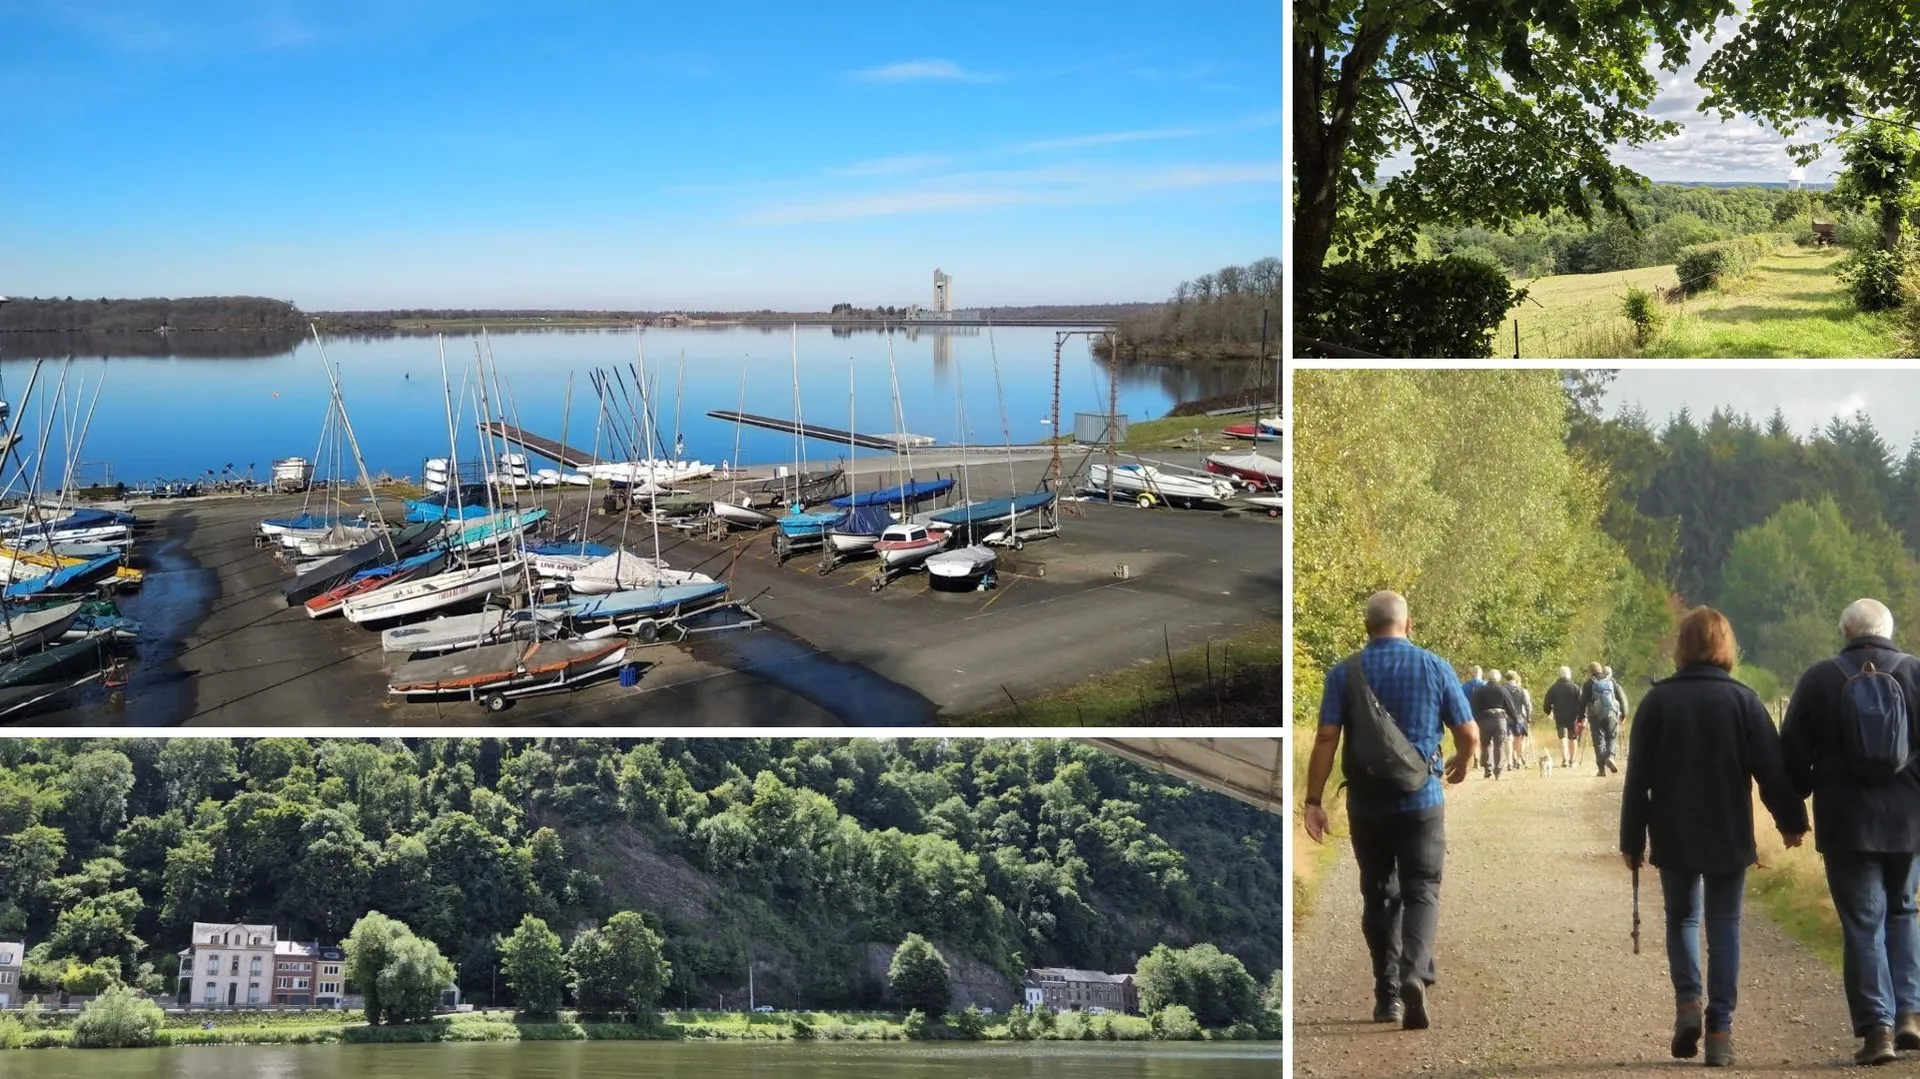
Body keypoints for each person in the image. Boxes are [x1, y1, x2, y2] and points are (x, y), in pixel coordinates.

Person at [1621, 607, 1809, 1069]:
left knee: (1683, 919)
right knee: (1724, 927)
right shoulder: (1744, 701)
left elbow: (1637, 777)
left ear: (1682, 647)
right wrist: (1791, 822)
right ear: (1726, 646)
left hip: (1674, 830)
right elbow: (1771, 771)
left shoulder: (1657, 703)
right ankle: (1720, 1030)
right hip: (1728, 830)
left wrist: (1631, 839)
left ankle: (1688, 1004)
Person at [1304, 590, 1479, 1031]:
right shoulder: (1434, 666)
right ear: (1409, 625)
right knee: (1422, 888)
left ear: (1367, 628)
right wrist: (1462, 760)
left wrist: (1313, 801)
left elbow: (1326, 739)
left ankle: (1387, 998)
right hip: (1421, 800)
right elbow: (1469, 733)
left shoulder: (1344, 673)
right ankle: (1413, 972)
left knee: (1379, 893)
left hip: (1367, 803)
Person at [1779, 598, 1920, 1067]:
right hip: (1908, 822)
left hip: (1845, 822)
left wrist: (1793, 814)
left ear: (1845, 632)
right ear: (1888, 630)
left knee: (1863, 924)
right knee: (1903, 911)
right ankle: (1911, 1017)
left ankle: (1876, 1030)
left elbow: (1792, 754)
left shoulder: (1821, 678)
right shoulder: (1915, 673)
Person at [1582, 661, 1627, 776]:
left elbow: (1582, 702)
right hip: (1611, 714)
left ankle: (1601, 769)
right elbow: (1620, 697)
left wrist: (1581, 716)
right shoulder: (1610, 681)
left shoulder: (1588, 684)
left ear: (1590, 672)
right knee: (1611, 737)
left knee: (1598, 741)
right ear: (1600, 670)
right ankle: (1611, 756)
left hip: (1595, 716)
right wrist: (1624, 713)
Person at [1545, 666, 1583, 769]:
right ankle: (1572, 760)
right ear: (1569, 675)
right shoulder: (1575, 687)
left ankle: (1564, 759)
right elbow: (1581, 703)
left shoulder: (1553, 688)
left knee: (1562, 737)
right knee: (1573, 737)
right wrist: (1582, 716)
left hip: (1559, 715)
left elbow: (1547, 702)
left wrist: (1548, 711)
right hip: (1573, 716)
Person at [1506, 671, 1533, 770]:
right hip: (1519, 718)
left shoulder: (1503, 690)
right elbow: (1527, 705)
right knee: (1518, 739)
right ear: (1515, 677)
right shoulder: (1522, 690)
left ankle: (1509, 761)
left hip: (1506, 718)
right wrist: (1529, 716)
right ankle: (1518, 760)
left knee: (1509, 740)